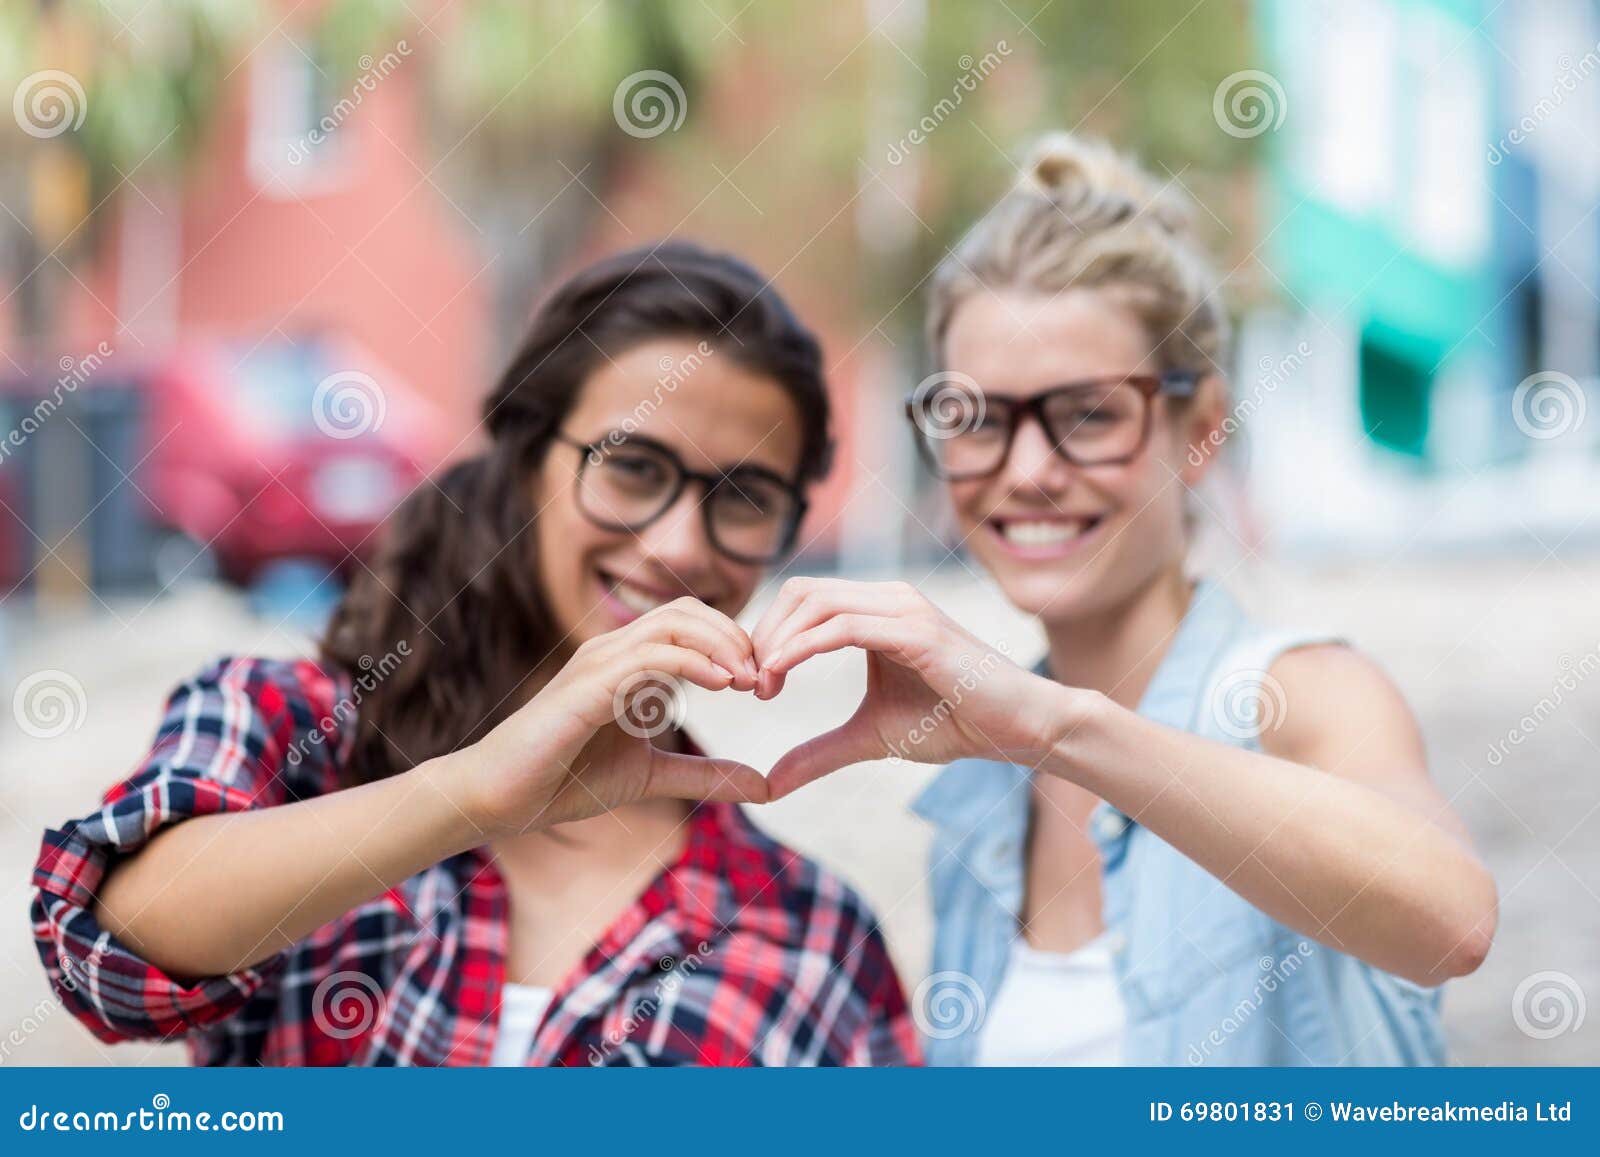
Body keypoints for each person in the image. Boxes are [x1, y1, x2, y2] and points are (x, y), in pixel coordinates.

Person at [31, 242, 918, 1067]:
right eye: (634, 467)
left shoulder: (816, 938)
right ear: (528, 458)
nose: (678, 545)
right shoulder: (287, 726)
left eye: (745, 497)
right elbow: (103, 956)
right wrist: (470, 792)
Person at [750, 135, 1497, 1066]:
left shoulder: (1299, 695)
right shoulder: (981, 803)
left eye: (1089, 414)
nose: (1028, 470)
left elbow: (1453, 920)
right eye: (978, 418)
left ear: (1202, 430)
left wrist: (1055, 727)